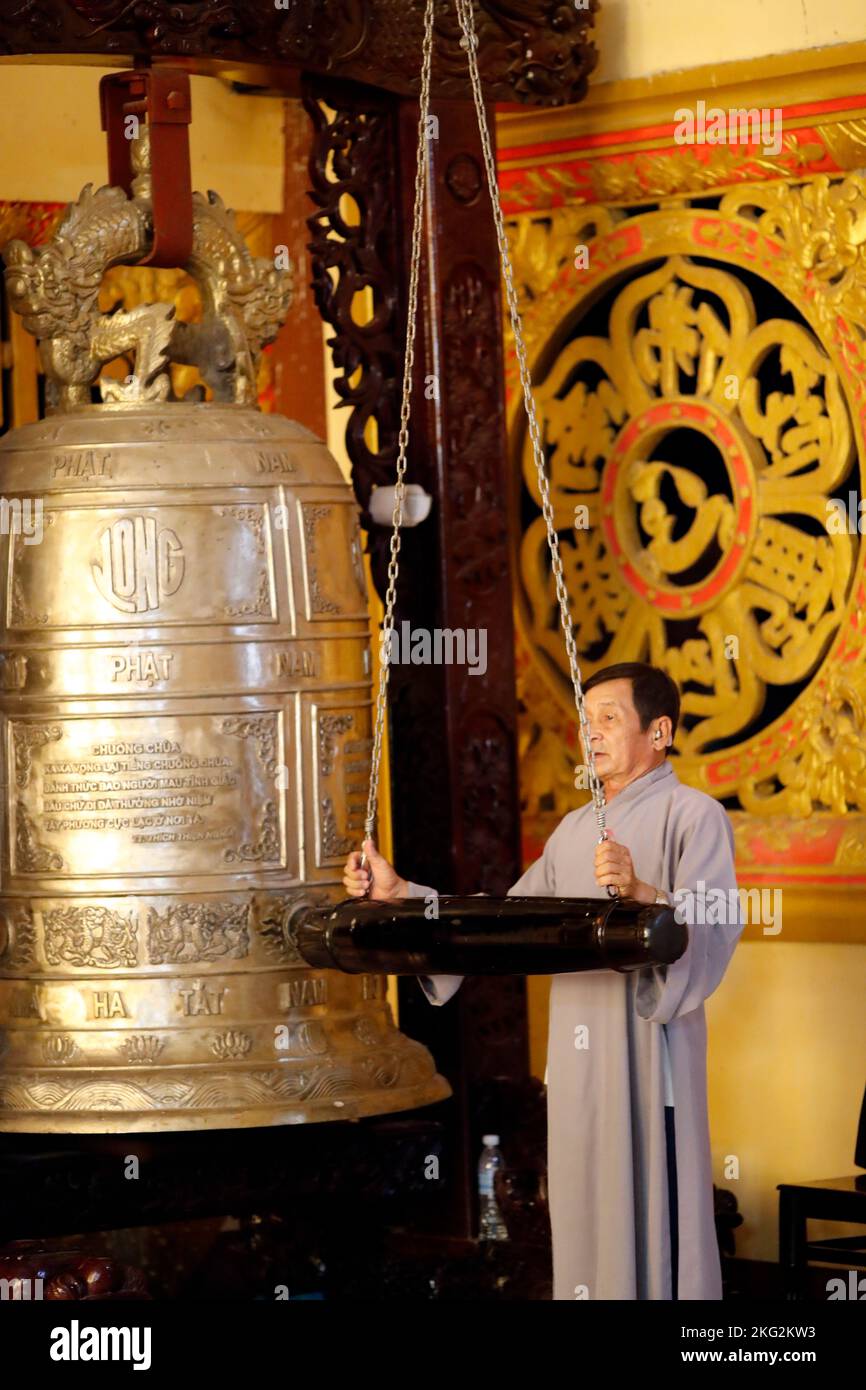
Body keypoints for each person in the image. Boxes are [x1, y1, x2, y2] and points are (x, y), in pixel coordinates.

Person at [342, 662, 742, 1300]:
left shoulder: (693, 816)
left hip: (646, 1056)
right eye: (586, 722)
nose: (593, 735)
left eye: (609, 719)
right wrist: (404, 900)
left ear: (660, 730)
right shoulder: (576, 830)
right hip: (579, 1059)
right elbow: (503, 925)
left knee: (653, 1212)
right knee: (584, 1209)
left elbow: (716, 925)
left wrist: (643, 893)